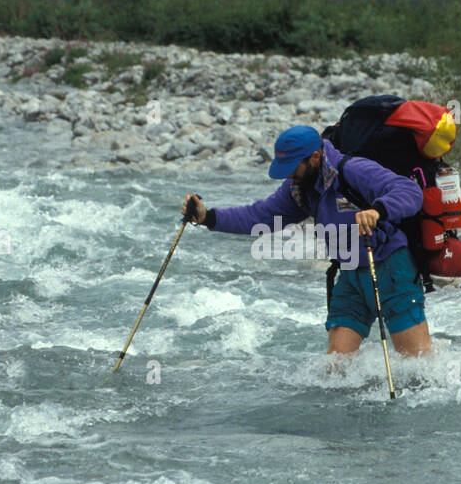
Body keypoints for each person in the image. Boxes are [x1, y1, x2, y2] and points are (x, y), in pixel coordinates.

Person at [182, 124, 432, 356]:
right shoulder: (300, 187)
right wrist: (207, 218)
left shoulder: (352, 170)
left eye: (292, 168)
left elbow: (408, 191)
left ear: (314, 157)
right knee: (336, 371)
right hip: (350, 274)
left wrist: (378, 210)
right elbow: (259, 215)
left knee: (417, 365)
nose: (288, 176)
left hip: (390, 269)